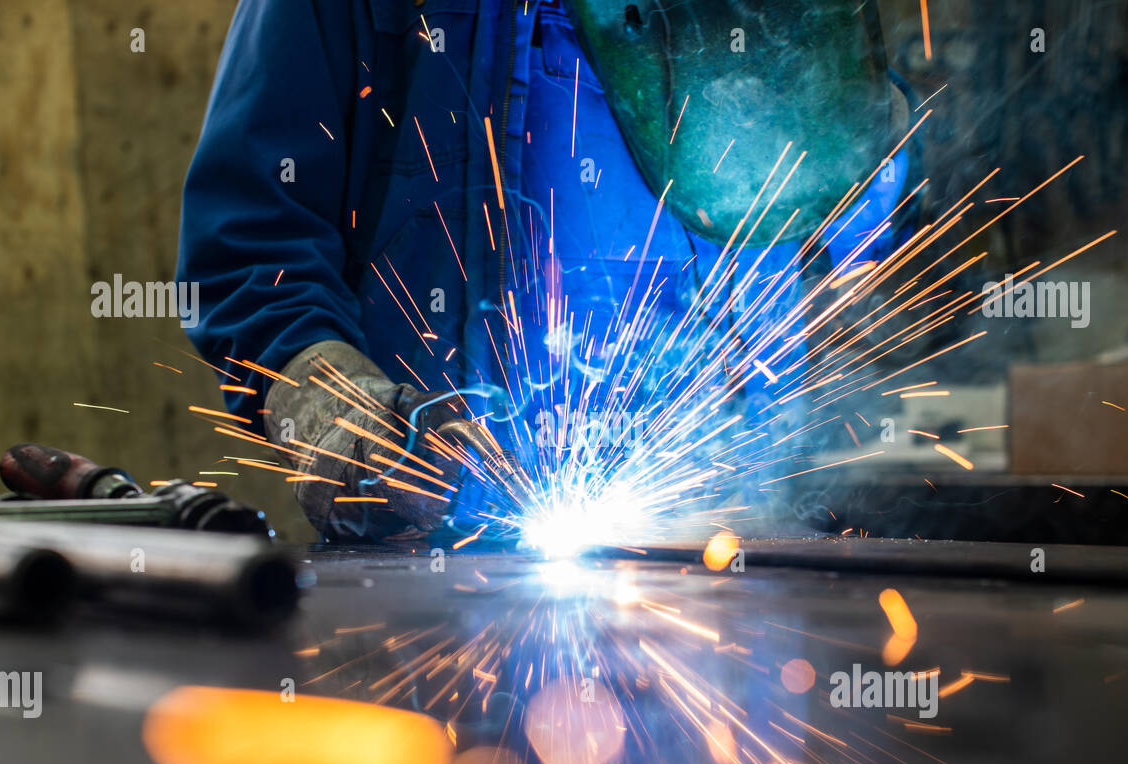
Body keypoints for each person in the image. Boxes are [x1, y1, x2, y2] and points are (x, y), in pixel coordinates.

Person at [177, 0, 917, 541]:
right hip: (452, 551)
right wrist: (330, 402)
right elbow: (250, 238)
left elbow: (857, 191)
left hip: (741, 540)